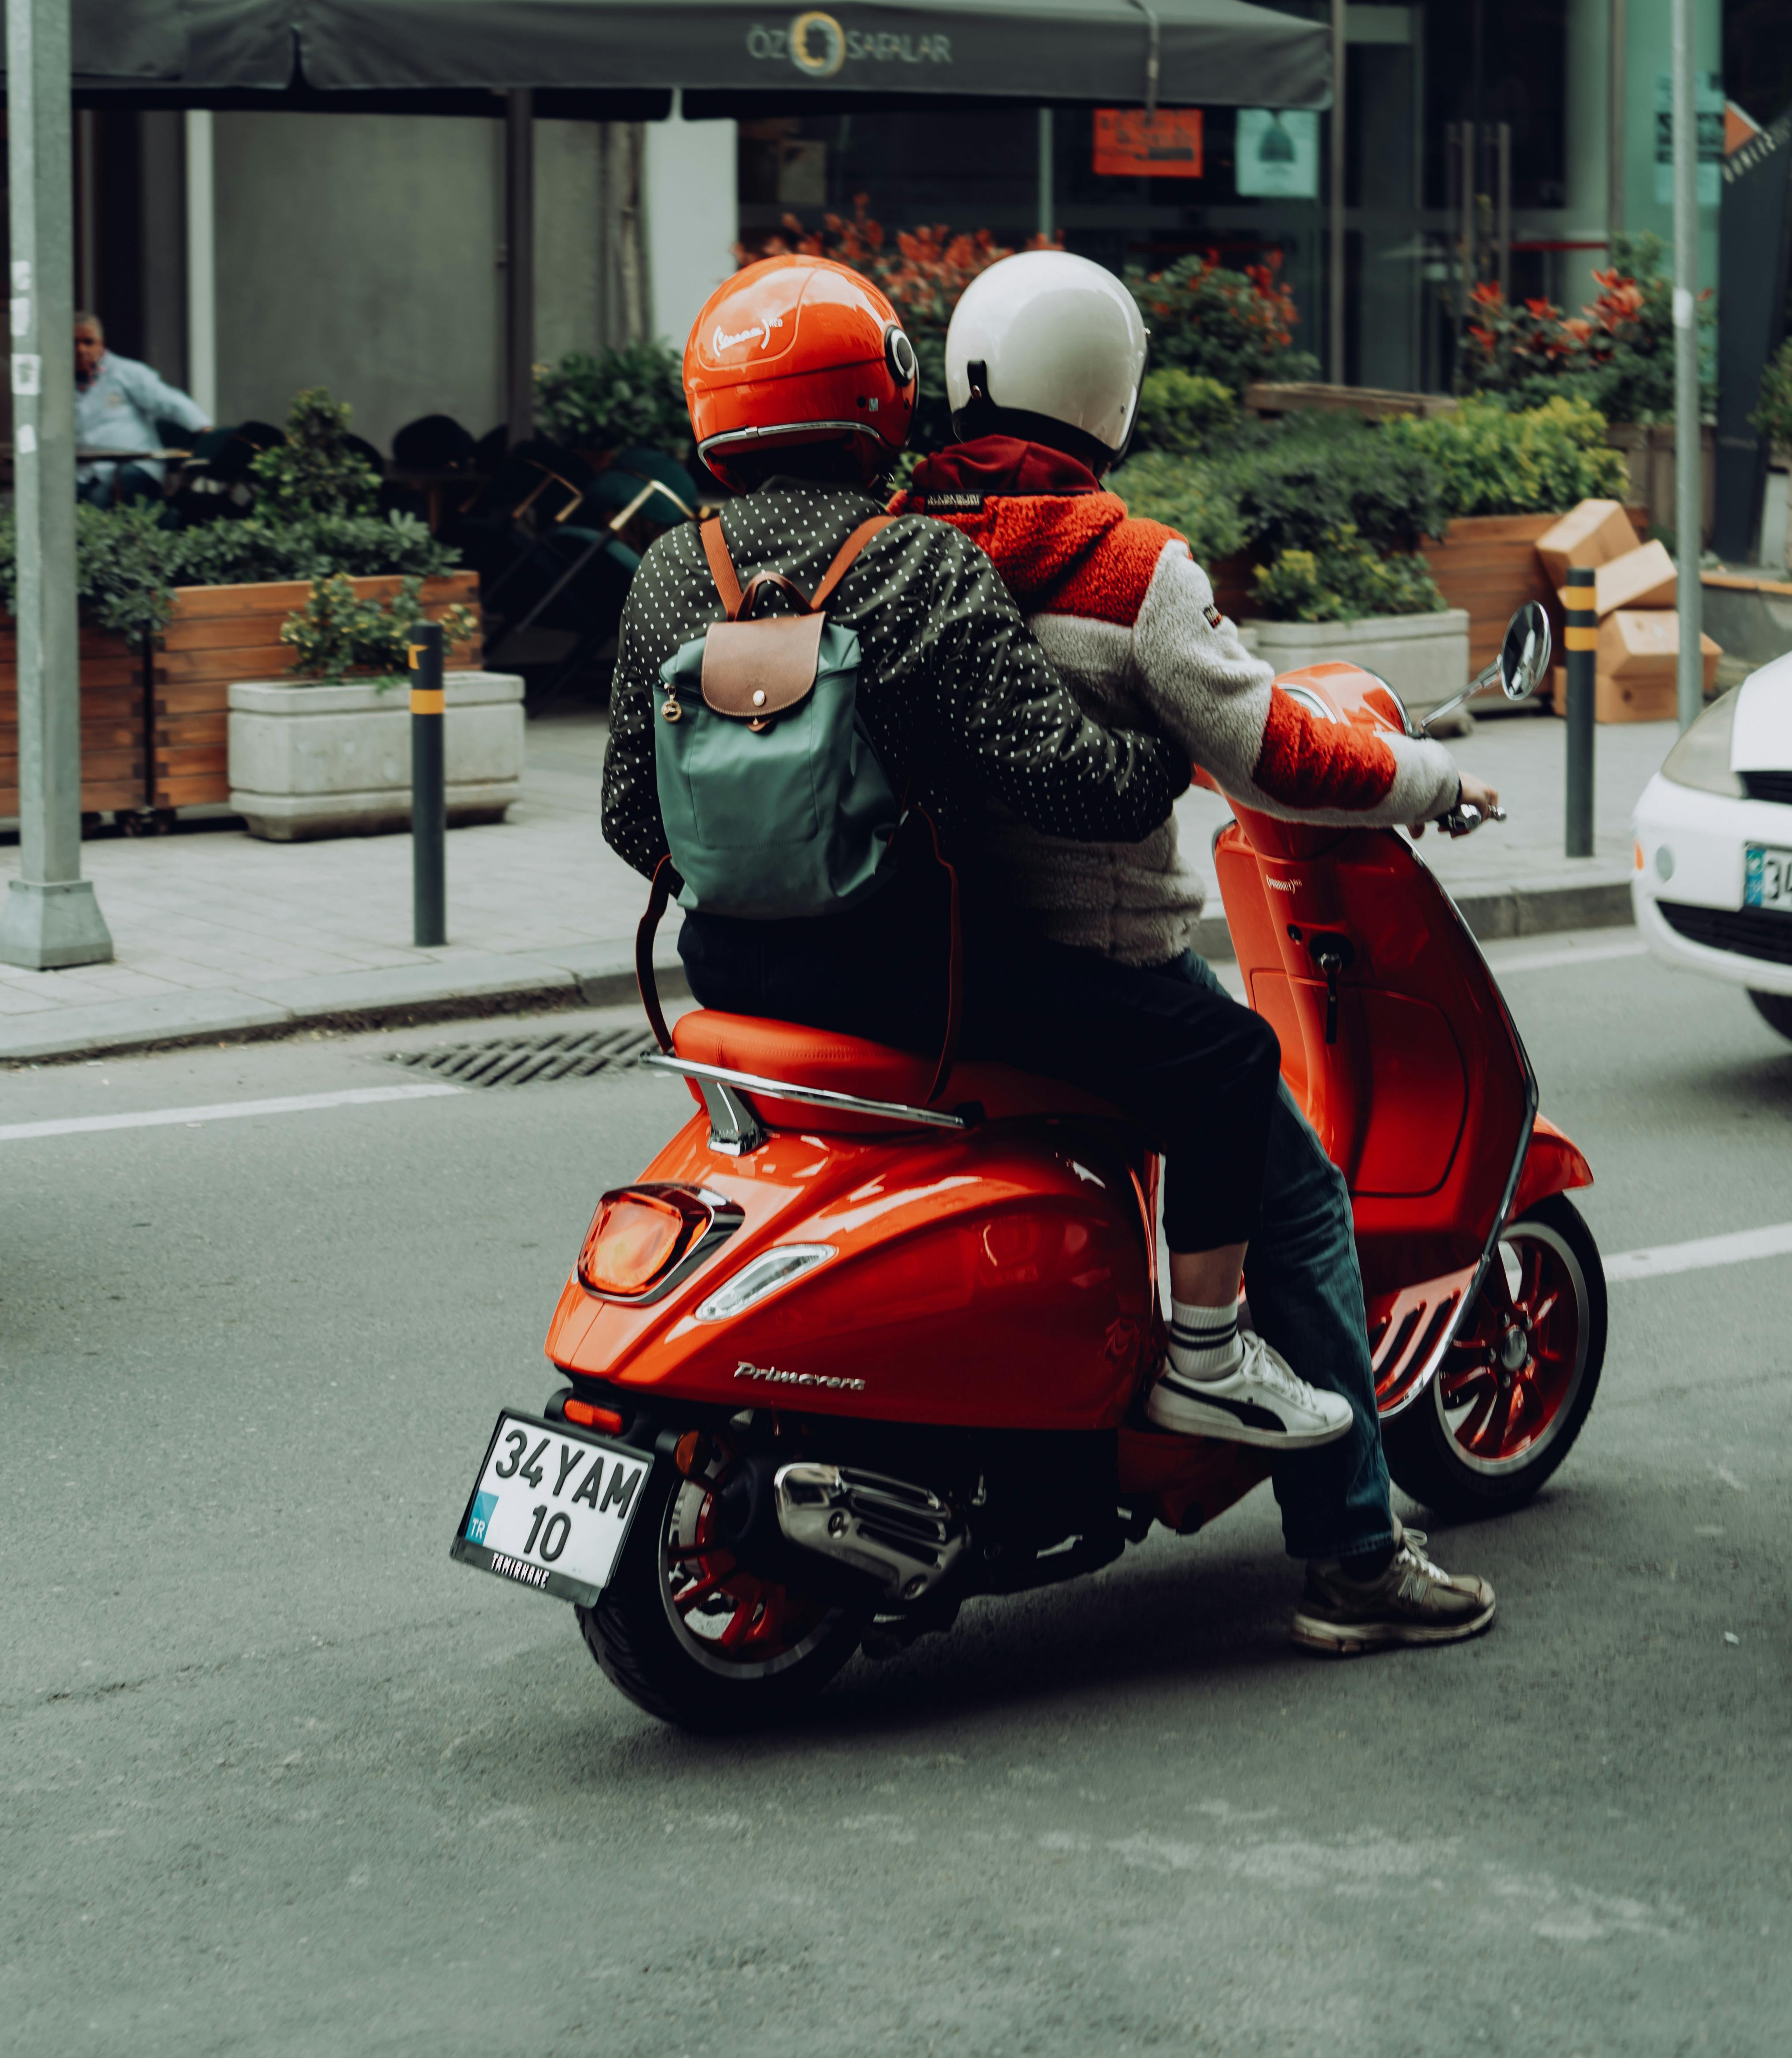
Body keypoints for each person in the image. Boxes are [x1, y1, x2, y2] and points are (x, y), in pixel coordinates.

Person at [601, 255, 1352, 1456]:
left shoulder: (669, 575)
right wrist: (1169, 748)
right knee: (1224, 1057)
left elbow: (631, 824)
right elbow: (1073, 785)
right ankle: (1207, 1358)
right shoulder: (914, 563)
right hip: (907, 984)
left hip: (723, 970)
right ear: (885, 398)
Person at [896, 245, 1500, 1656]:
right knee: (1295, 1195)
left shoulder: (899, 538)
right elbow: (1272, 753)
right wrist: (1429, 780)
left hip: (935, 968)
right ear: (1108, 390)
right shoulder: (1127, 564)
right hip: (1105, 969)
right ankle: (1352, 1550)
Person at [73, 311, 207, 505]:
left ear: (101, 343)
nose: (80, 349)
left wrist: (203, 428)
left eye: (88, 342)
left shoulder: (127, 372)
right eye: (74, 343)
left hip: (136, 466)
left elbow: (167, 401)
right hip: (87, 470)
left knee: (100, 500)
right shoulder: (60, 382)